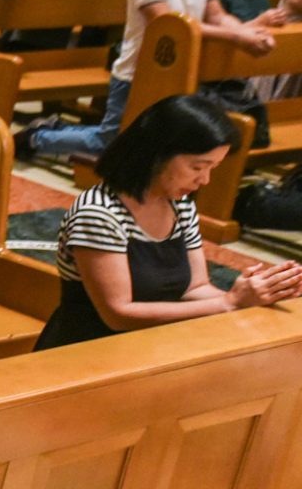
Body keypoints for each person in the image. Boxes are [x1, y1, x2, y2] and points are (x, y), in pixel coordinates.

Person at [36, 95, 302, 350]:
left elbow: (194, 288)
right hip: (87, 350)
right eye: (197, 167)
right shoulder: (98, 214)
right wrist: (229, 302)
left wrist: (255, 296)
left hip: (153, 344)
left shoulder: (179, 205)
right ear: (157, 154)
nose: (205, 180)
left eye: (212, 168)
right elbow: (118, 314)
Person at [21, 0, 277, 160]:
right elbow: (171, 26)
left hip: (182, 70)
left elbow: (217, 15)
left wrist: (243, 30)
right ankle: (38, 137)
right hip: (139, 70)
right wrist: (236, 37)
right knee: (112, 142)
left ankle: (52, 131)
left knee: (151, 141)